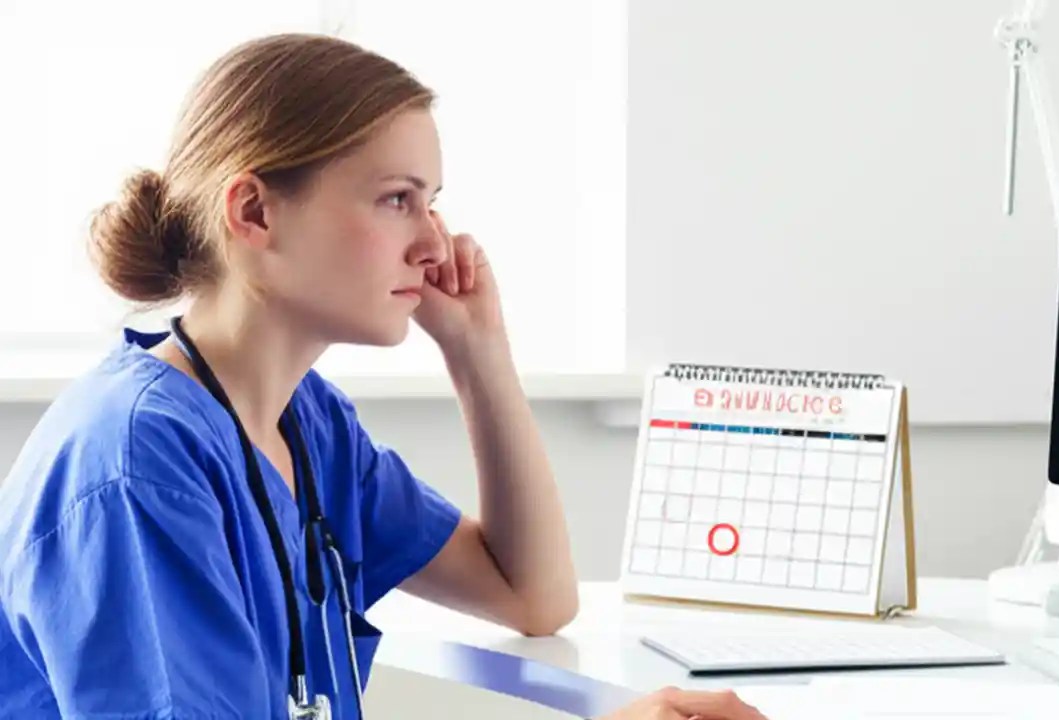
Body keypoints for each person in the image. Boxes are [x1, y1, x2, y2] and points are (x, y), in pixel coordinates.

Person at [0, 33, 766, 720]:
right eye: (398, 199)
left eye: (433, 203)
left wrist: (479, 353)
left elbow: (531, 595)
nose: (437, 244)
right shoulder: (140, 462)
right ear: (255, 213)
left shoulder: (308, 425)